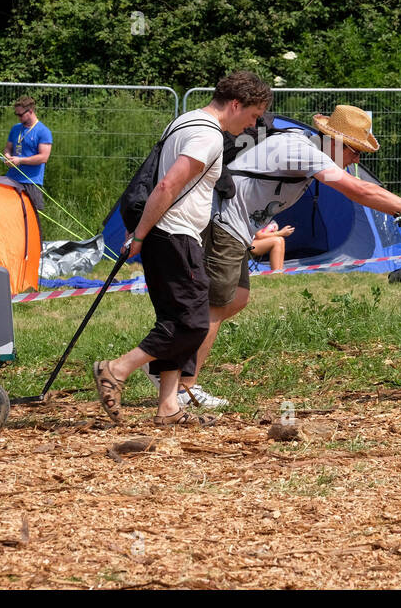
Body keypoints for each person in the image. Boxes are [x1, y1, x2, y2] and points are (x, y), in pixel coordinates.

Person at [171, 104, 401, 409]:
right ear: (334, 141)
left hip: (235, 227)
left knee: (236, 298)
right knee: (215, 306)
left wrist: (400, 212)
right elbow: (357, 190)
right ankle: (183, 388)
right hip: (222, 222)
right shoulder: (301, 148)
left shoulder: (306, 145)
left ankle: (162, 360)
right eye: (355, 150)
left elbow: (360, 190)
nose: (357, 158)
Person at [91, 72, 272, 426]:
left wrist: (142, 234)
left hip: (165, 235)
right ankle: (116, 368)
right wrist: (139, 236)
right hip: (174, 235)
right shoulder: (208, 136)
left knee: (174, 319)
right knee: (193, 323)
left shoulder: (185, 121)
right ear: (235, 104)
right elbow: (166, 186)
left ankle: (169, 407)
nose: (253, 124)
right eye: (252, 116)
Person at [4, 96, 52, 214]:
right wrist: (7, 156)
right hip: (12, 178)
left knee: (31, 216)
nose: (18, 118)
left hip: (31, 181)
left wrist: (20, 161)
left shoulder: (43, 131)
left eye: (20, 115)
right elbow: (8, 148)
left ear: (30, 111)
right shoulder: (15, 129)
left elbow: (43, 157)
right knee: (9, 213)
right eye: (17, 115)